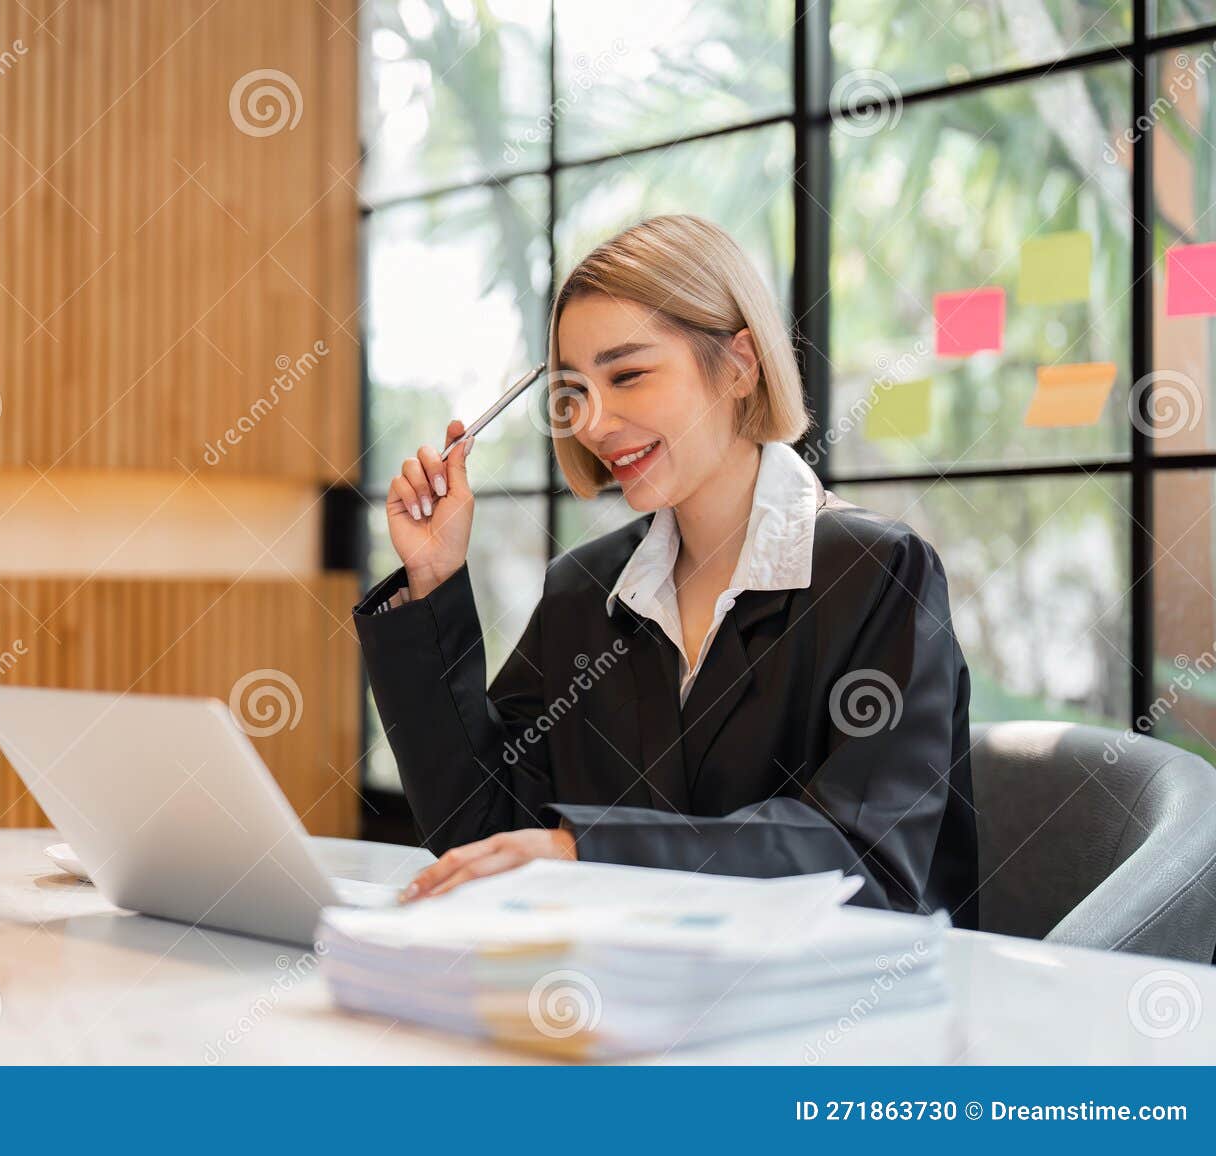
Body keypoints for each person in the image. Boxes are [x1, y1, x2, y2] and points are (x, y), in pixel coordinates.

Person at [352, 213, 979, 928]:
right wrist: (434, 579)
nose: (591, 423)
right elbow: (484, 826)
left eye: (628, 374)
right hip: (629, 1002)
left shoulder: (875, 574)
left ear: (740, 364)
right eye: (575, 391)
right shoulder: (585, 589)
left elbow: (861, 860)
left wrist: (584, 851)